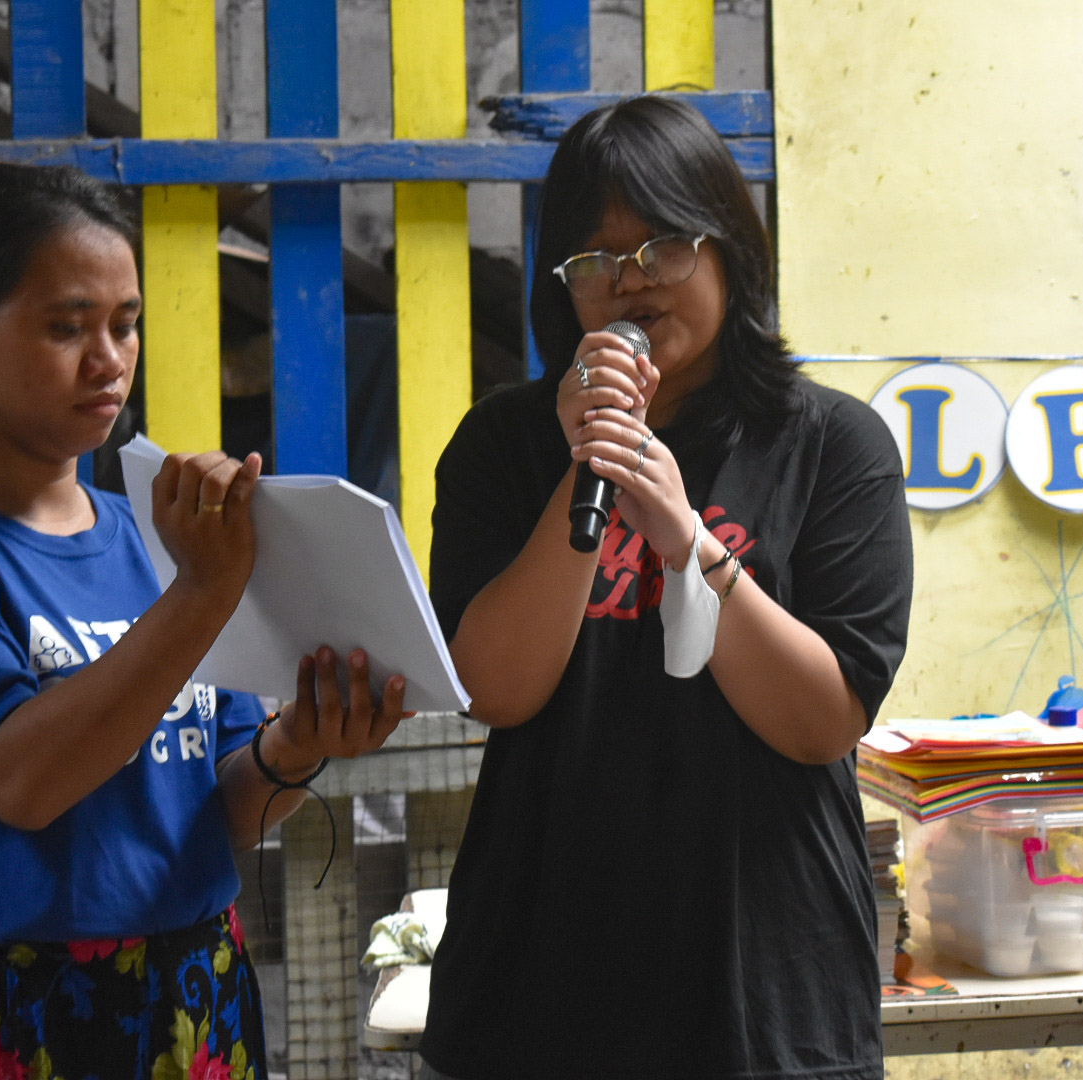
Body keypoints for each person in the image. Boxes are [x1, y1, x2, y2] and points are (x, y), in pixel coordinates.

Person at [0, 161, 406, 1080]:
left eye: (125, 324)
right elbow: (25, 782)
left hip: (187, 995)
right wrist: (201, 596)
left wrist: (301, 743)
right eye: (66, 327)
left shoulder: (162, 543)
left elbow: (226, 811)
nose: (110, 359)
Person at [418, 95, 912, 1078]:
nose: (632, 283)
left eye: (665, 248)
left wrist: (688, 541)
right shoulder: (503, 447)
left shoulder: (832, 445)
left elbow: (823, 722)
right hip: (536, 992)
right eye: (596, 260)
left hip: (768, 995)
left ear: (732, 250)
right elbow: (494, 690)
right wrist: (585, 464)